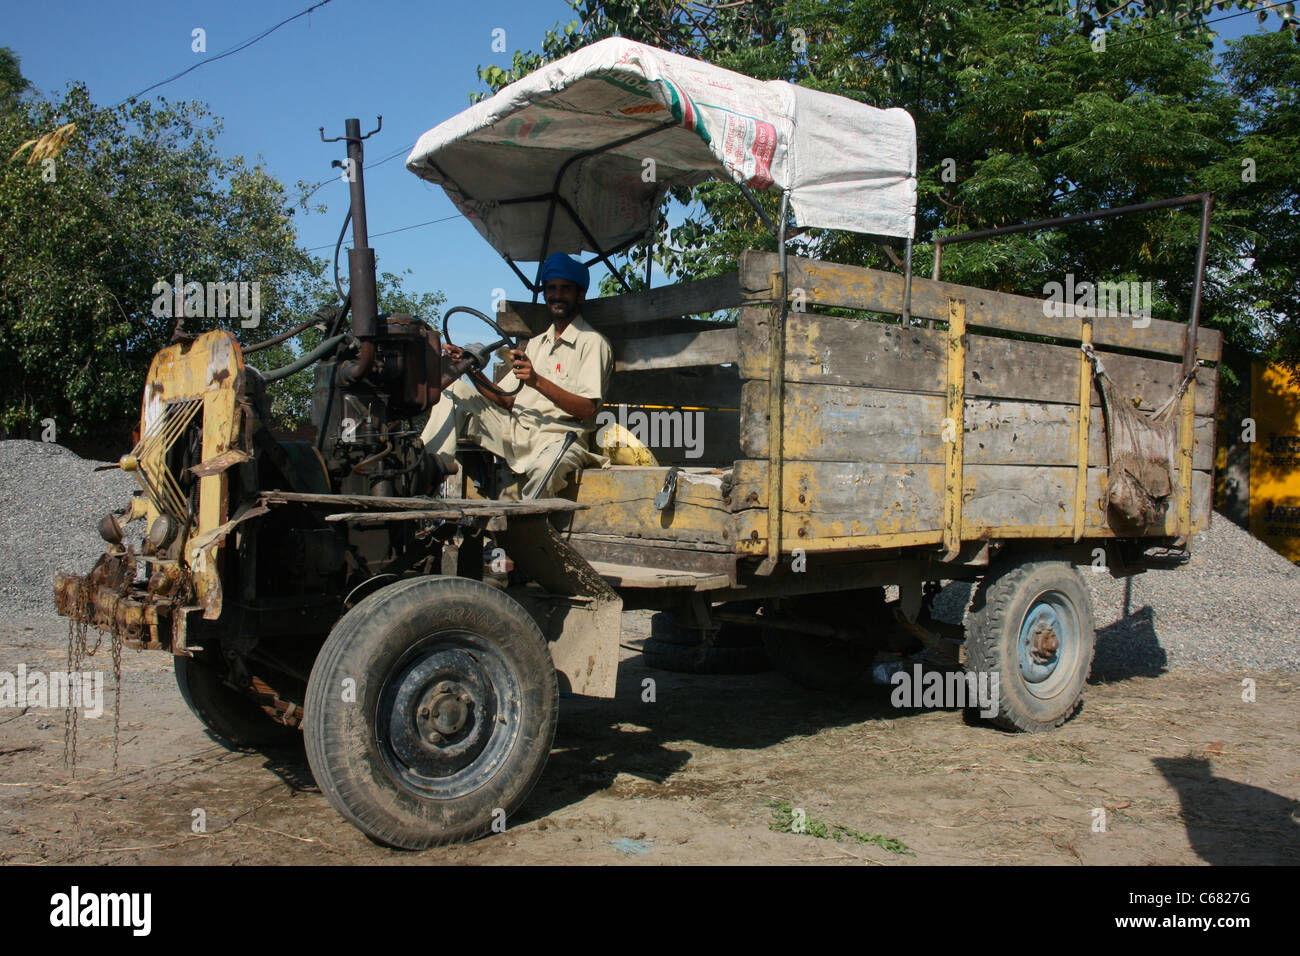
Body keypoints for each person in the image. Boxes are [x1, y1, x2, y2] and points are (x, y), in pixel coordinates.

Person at [421, 253, 613, 499]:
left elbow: (587, 409)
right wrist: (470, 368)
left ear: (581, 295)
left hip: (561, 439)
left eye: (565, 289)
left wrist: (537, 381)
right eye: (551, 288)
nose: (557, 295)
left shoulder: (592, 343)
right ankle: (426, 474)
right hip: (517, 432)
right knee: (454, 390)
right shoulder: (535, 344)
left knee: (546, 469)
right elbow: (505, 399)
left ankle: (523, 526)